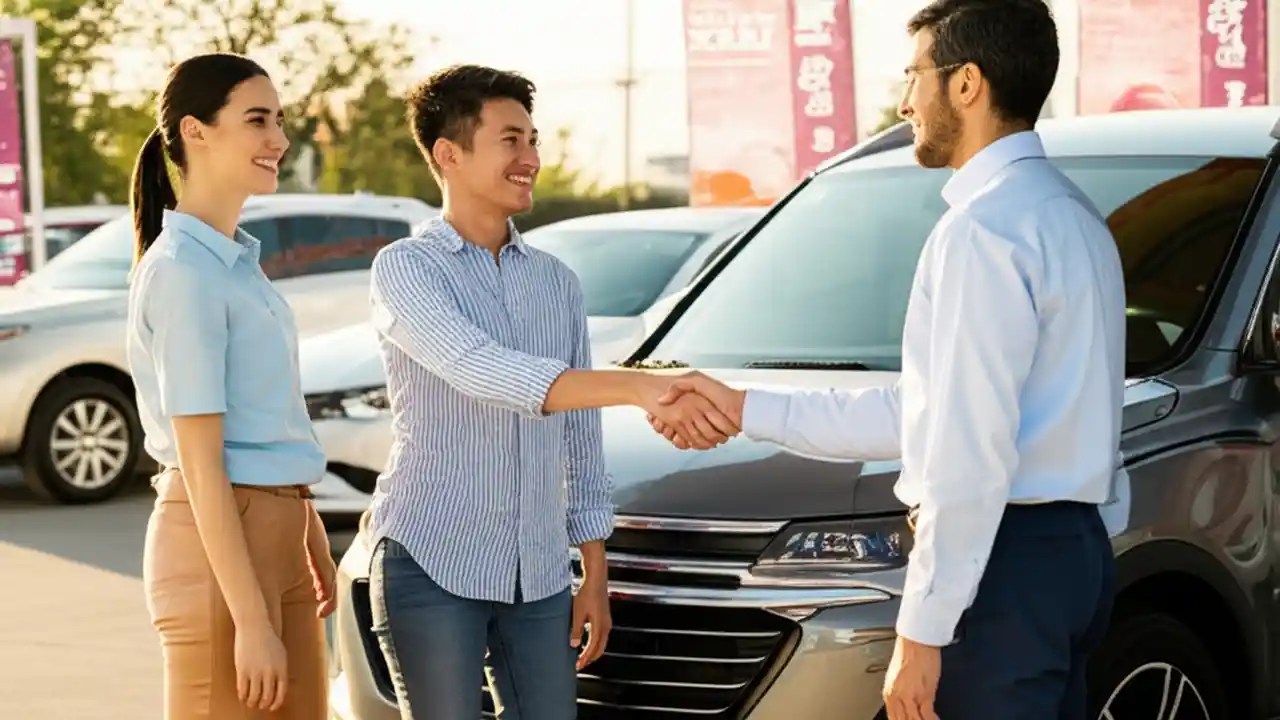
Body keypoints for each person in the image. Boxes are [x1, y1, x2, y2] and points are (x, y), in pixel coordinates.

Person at [650, 1, 1123, 719]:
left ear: (966, 84)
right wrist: (742, 405)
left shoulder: (983, 230)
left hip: (999, 561)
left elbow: (966, 450)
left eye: (914, 76)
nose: (905, 103)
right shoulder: (1074, 216)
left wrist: (921, 632)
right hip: (1070, 554)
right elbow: (925, 416)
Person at [364, 63, 737, 720]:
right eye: (511, 140)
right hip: (430, 561)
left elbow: (579, 440)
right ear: (449, 154)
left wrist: (594, 567)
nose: (531, 159)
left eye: (533, 140)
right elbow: (482, 370)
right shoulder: (404, 270)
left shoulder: (557, 283)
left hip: (537, 574)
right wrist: (640, 388)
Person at [126, 53, 336, 720]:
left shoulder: (236, 262)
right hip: (219, 552)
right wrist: (251, 621)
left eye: (278, 120)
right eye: (257, 120)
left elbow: (266, 417)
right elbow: (201, 456)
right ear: (196, 131)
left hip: (278, 533)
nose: (278, 139)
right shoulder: (186, 270)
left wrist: (308, 533)